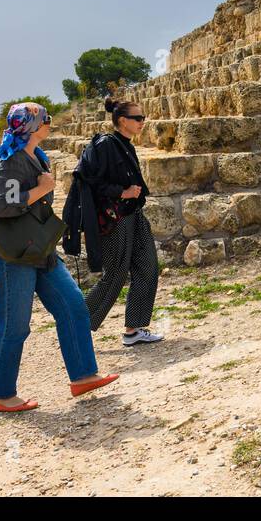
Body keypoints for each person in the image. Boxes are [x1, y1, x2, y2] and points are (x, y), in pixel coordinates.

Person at [0, 102, 118, 413]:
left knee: (73, 307)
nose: (49, 122)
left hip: (38, 249)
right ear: (30, 125)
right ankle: (1, 395)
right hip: (11, 255)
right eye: (45, 118)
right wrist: (42, 189)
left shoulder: (34, 155)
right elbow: (1, 204)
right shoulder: (12, 161)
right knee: (13, 326)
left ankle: (83, 375)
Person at [63, 97, 164, 346]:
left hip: (134, 215)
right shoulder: (106, 145)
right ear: (122, 121)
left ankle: (133, 329)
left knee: (148, 266)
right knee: (115, 275)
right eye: (138, 118)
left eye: (143, 118)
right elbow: (90, 180)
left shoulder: (125, 144)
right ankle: (75, 327)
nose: (142, 122)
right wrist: (122, 192)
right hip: (115, 219)